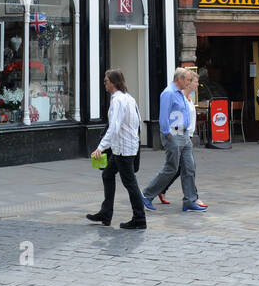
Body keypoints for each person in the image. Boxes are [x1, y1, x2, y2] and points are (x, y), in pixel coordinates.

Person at [87, 69, 145, 230]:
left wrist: (100, 148)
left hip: (123, 149)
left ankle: (139, 218)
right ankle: (106, 213)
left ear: (113, 82)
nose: (104, 84)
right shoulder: (129, 98)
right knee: (107, 174)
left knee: (130, 183)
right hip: (125, 146)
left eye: (106, 81)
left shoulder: (118, 101)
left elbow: (114, 127)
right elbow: (137, 122)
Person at [143, 68, 207, 212]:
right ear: (179, 79)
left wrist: (186, 135)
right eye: (188, 80)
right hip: (173, 134)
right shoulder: (169, 93)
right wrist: (167, 135)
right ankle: (146, 195)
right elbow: (163, 116)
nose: (189, 83)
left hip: (183, 135)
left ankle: (190, 200)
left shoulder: (180, 93)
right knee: (171, 168)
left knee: (189, 167)